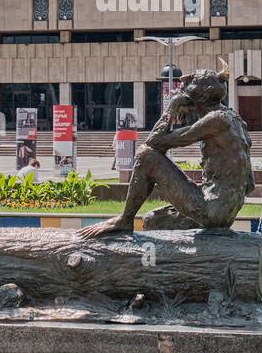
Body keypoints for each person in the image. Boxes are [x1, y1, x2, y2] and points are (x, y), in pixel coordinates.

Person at [78, 64, 252, 237]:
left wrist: (172, 105)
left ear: (202, 96)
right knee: (153, 220)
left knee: (145, 155)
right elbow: (249, 184)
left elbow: (153, 143)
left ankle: (125, 219)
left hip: (213, 211)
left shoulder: (215, 120)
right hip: (224, 213)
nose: (183, 86)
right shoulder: (235, 120)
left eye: (188, 92)